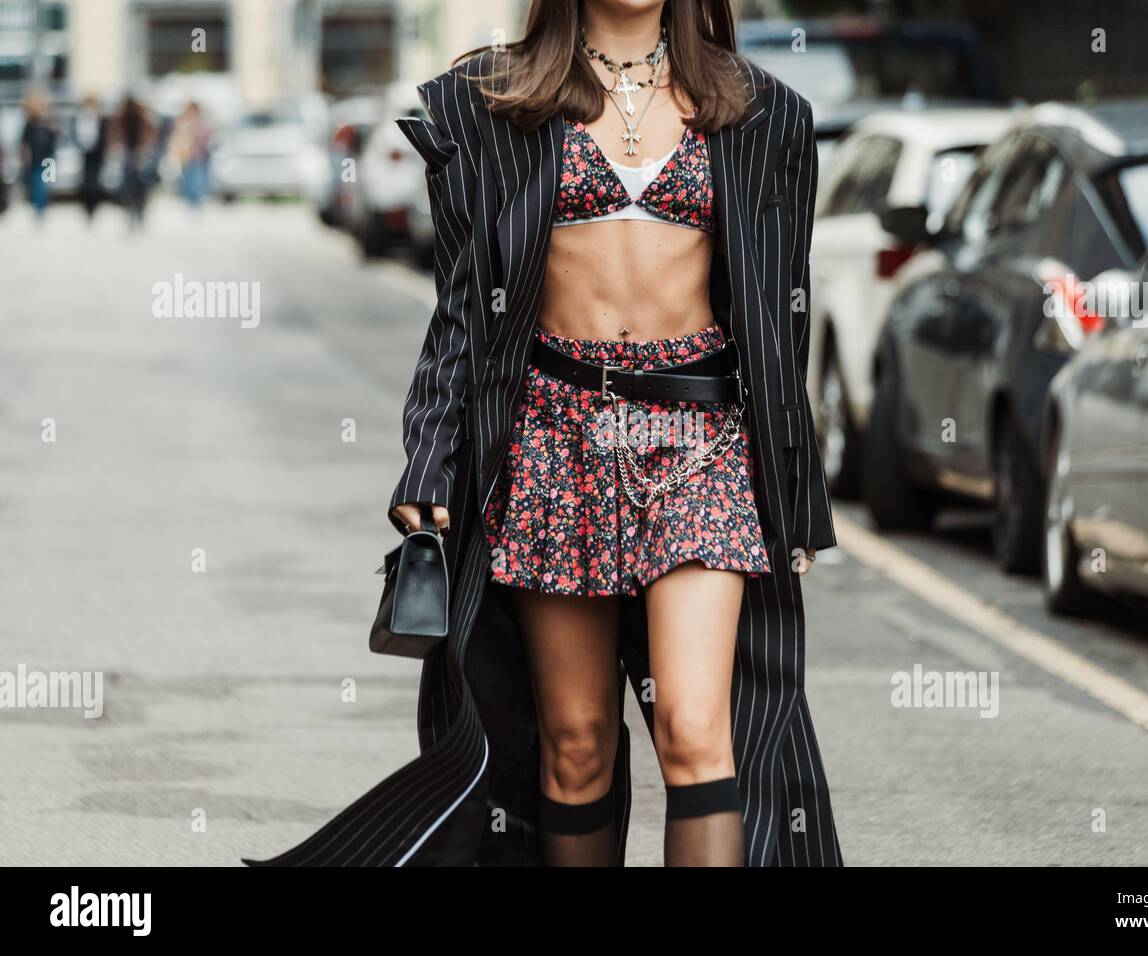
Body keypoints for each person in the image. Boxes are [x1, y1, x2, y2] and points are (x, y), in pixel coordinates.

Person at [246, 0, 840, 868]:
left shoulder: (761, 112)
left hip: (700, 443)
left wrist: (797, 492)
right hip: (555, 438)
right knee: (574, 745)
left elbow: (783, 325)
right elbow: (461, 314)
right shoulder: (495, 104)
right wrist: (428, 461)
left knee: (696, 729)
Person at [111, 95, 155, 229]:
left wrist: (142, 150)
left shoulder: (140, 118)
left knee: (137, 185)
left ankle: (136, 209)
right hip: (130, 154)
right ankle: (133, 209)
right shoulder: (124, 118)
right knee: (133, 185)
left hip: (138, 154)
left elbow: (149, 135)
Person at [19, 89, 57, 222]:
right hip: (35, 159)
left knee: (47, 185)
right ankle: (39, 209)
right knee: (37, 185)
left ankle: (43, 207)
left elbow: (54, 137)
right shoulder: (30, 123)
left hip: (48, 158)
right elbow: (24, 141)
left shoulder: (49, 121)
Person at [170, 101, 212, 209]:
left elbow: (206, 135)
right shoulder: (182, 121)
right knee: (187, 180)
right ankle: (190, 201)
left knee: (196, 180)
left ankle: (195, 202)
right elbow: (176, 137)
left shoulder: (200, 122)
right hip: (185, 156)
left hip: (197, 156)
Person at [73, 95, 109, 220]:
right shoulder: (81, 118)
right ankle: (88, 206)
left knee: (95, 181)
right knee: (87, 181)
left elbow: (103, 137)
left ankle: (93, 206)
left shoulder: (99, 119)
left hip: (96, 154)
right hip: (86, 154)